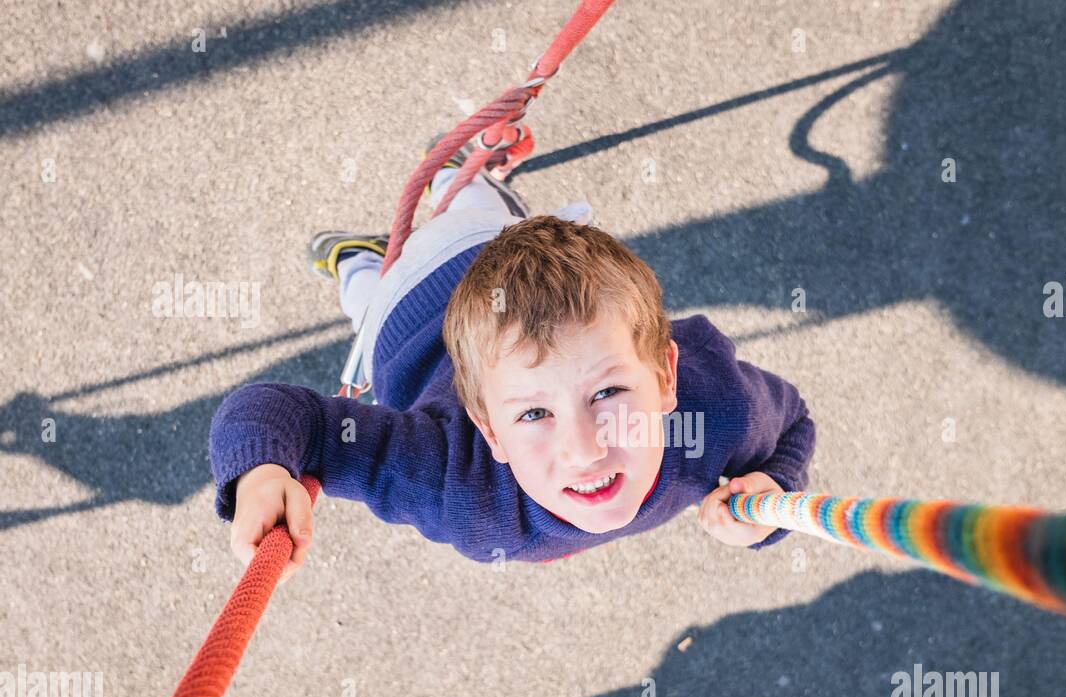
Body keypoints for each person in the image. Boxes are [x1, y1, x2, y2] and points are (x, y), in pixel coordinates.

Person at [208, 134, 815, 582]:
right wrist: (262, 471)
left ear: (665, 377)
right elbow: (280, 414)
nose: (584, 449)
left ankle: (408, 222)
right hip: (412, 310)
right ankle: (397, 234)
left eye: (608, 394)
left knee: (485, 226)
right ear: (487, 427)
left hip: (485, 257)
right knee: (374, 304)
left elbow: (792, 424)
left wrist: (777, 494)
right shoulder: (449, 481)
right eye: (532, 415)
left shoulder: (718, 413)